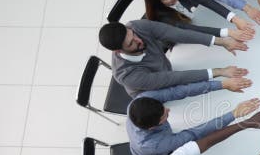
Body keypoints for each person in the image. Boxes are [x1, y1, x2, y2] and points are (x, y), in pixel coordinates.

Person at [98, 20, 248, 97]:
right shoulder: (127, 75)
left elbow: (177, 34)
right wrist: (219, 71)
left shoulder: (135, 26)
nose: (139, 40)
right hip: (154, 94)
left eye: (133, 34)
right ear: (118, 51)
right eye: (132, 43)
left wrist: (221, 41)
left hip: (166, 69)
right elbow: (171, 79)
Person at [126, 88, 258, 155]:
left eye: (164, 108)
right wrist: (234, 114)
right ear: (152, 127)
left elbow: (174, 92)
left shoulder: (137, 103)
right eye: (164, 116)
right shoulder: (153, 144)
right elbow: (194, 133)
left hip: (148, 144)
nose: (169, 110)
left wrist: (219, 85)